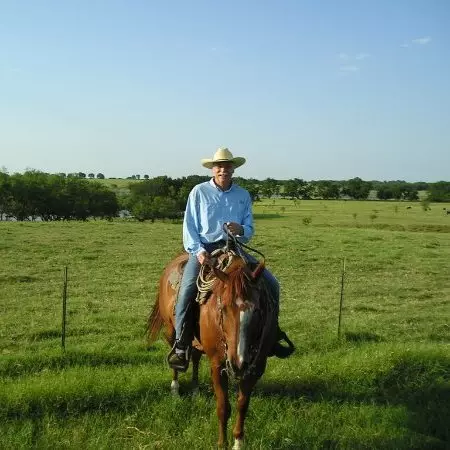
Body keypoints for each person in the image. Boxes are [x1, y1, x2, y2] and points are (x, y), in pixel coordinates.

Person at [168, 147, 283, 371]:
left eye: (228, 166)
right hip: (205, 249)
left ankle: (272, 337)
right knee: (187, 290)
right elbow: (189, 226)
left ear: (233, 169)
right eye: (219, 166)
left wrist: (241, 228)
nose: (223, 170)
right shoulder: (198, 192)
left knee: (271, 284)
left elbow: (249, 228)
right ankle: (182, 344)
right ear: (212, 169)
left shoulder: (242, 195)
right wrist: (199, 252)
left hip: (235, 248)